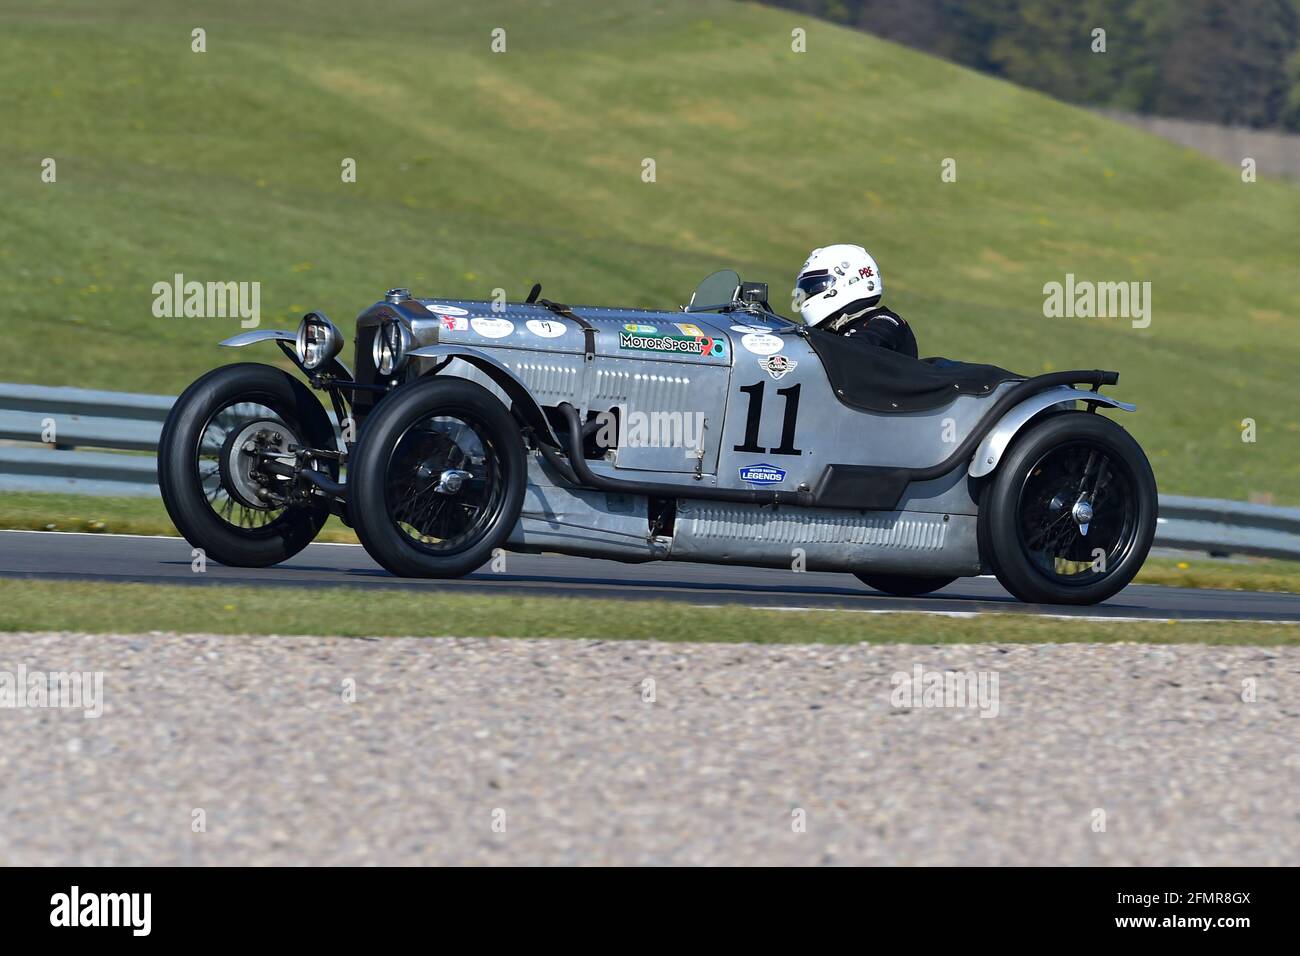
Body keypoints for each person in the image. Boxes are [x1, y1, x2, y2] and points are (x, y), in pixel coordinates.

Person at [793, 244, 917, 358]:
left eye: (815, 286)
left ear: (850, 280)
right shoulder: (831, 331)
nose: (809, 294)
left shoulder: (886, 321)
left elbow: (856, 350)